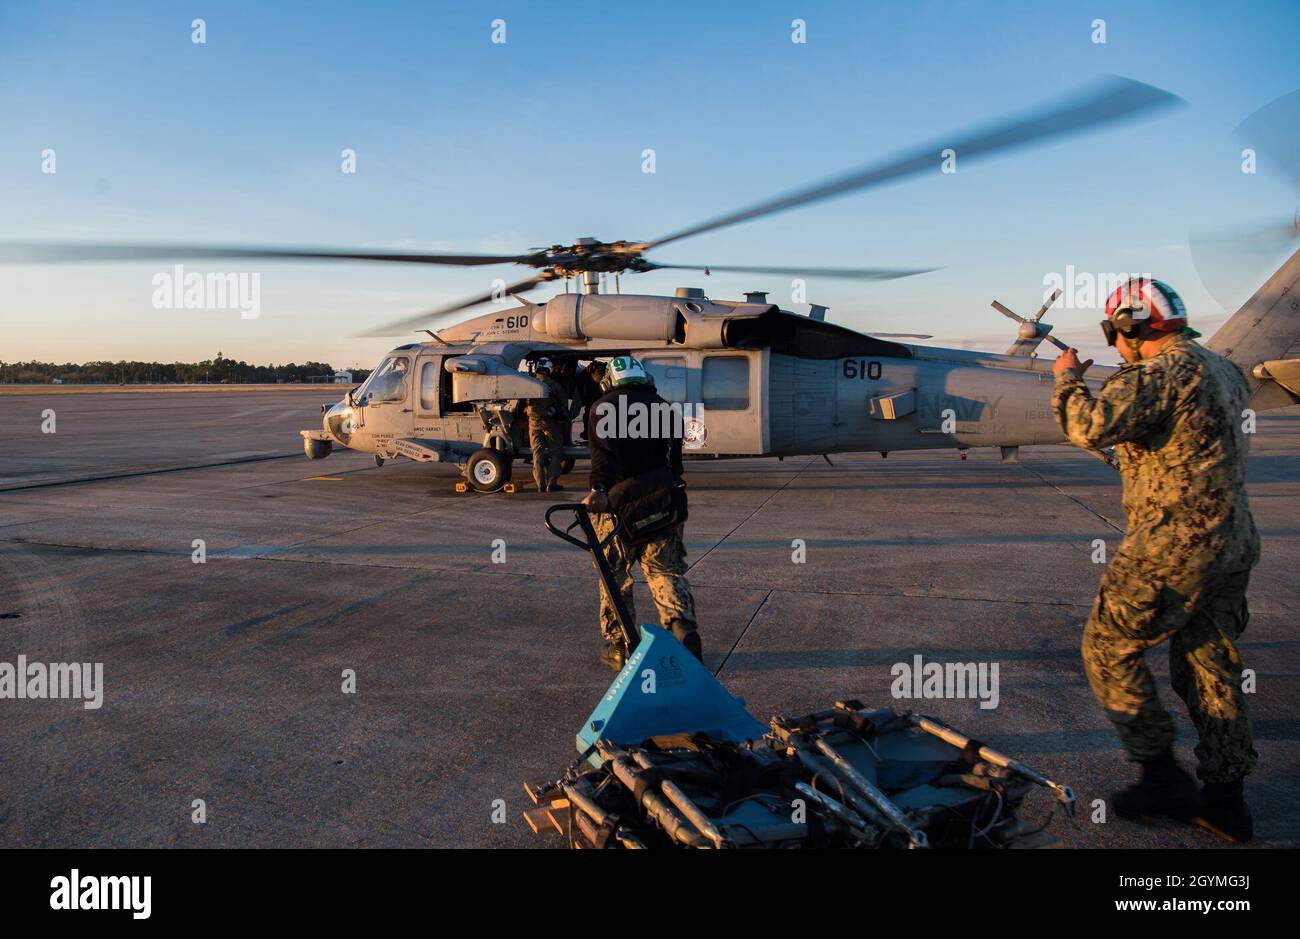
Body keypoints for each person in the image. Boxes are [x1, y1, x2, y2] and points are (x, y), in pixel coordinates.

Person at [1052, 278, 1260, 843]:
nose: (1115, 345)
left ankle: (1161, 774)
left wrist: (1068, 377)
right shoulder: (1224, 370)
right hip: (1232, 543)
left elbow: (1088, 425)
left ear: (1132, 326)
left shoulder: (1159, 374)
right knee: (1209, 666)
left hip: (1173, 548)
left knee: (1106, 648)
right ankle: (1226, 801)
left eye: (1113, 332)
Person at [579, 355, 700, 671]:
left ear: (612, 380)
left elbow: (604, 460)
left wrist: (599, 491)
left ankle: (621, 647)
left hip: (618, 508)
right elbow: (674, 461)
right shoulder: (666, 409)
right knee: (664, 570)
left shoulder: (602, 407)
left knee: (615, 577)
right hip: (664, 504)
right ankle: (681, 629)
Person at [524, 358, 568, 493]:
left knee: (537, 454)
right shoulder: (553, 385)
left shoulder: (528, 383)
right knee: (556, 453)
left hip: (532, 423)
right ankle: (551, 483)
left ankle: (540, 485)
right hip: (549, 423)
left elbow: (521, 404)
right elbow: (564, 404)